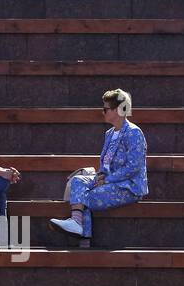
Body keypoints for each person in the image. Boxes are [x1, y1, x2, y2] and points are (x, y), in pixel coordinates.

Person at [51, 88, 148, 242]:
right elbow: (106, 163)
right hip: (108, 180)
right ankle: (77, 224)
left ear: (118, 110)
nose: (103, 112)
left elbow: (133, 167)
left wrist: (107, 180)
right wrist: (101, 175)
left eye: (105, 109)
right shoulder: (109, 134)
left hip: (128, 187)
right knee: (78, 181)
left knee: (85, 196)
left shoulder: (133, 133)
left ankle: (82, 236)